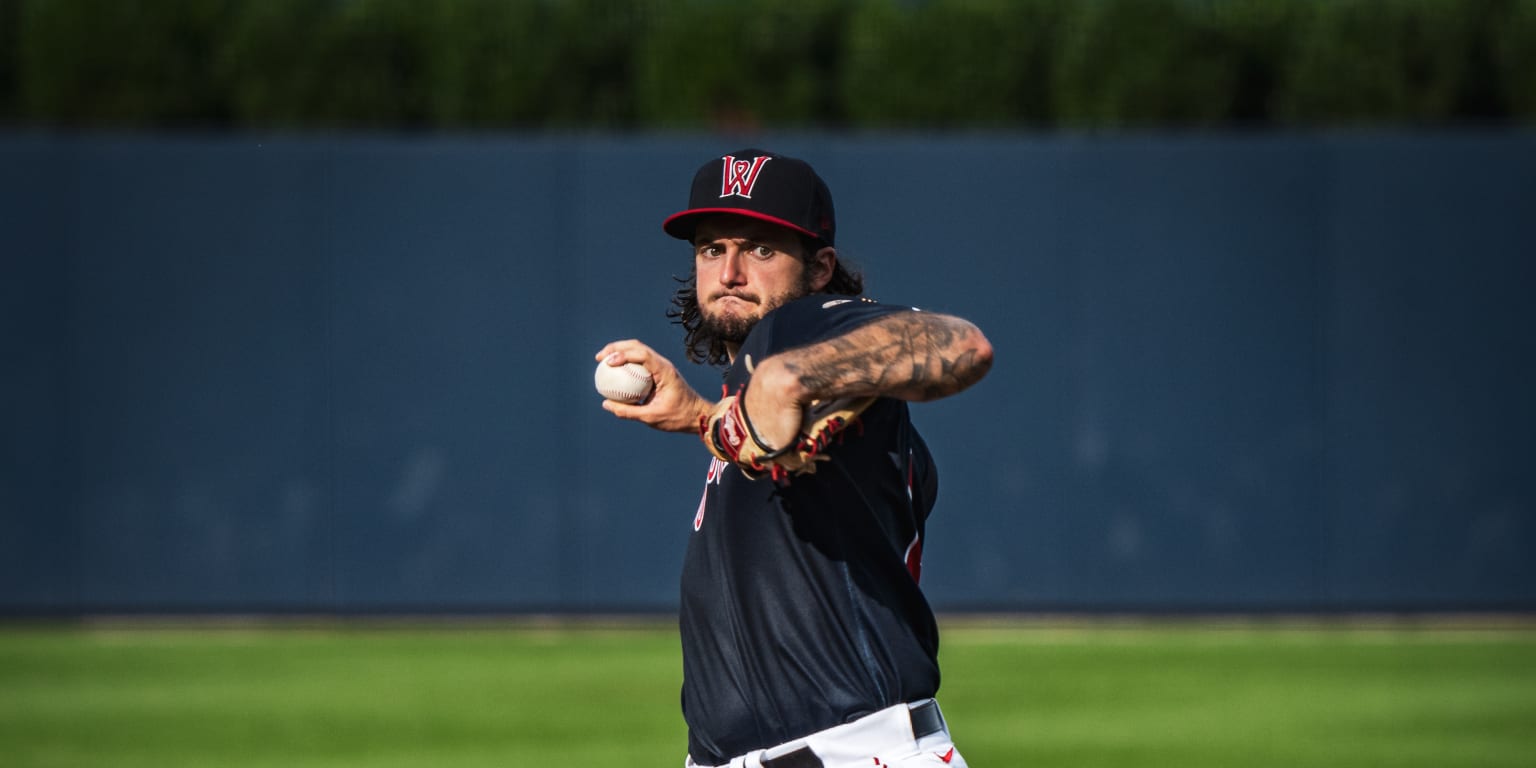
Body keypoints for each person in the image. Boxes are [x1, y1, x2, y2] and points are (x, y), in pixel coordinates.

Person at [595, 149, 993, 768]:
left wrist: (793, 373)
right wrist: (704, 418)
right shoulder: (763, 405)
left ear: (818, 269)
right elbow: (766, 433)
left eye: (759, 249)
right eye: (710, 248)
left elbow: (958, 343)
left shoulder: (802, 326)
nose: (729, 271)